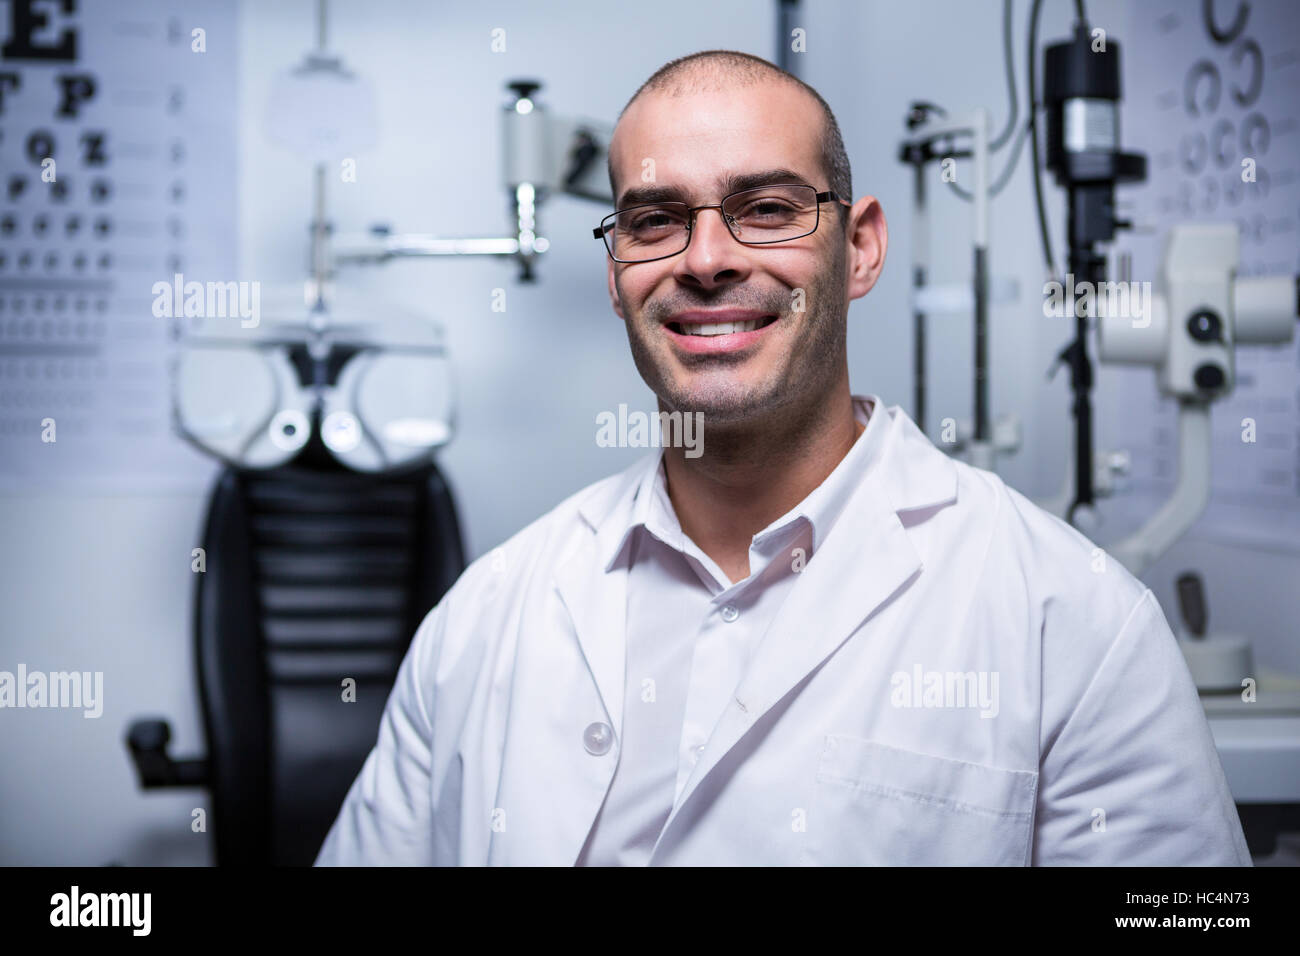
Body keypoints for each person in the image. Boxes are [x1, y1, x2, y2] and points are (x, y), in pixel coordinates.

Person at [315, 49, 1250, 866]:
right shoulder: (485, 616)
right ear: (616, 275)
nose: (708, 258)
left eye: (766, 209)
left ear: (861, 246)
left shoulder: (1074, 624)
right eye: (653, 221)